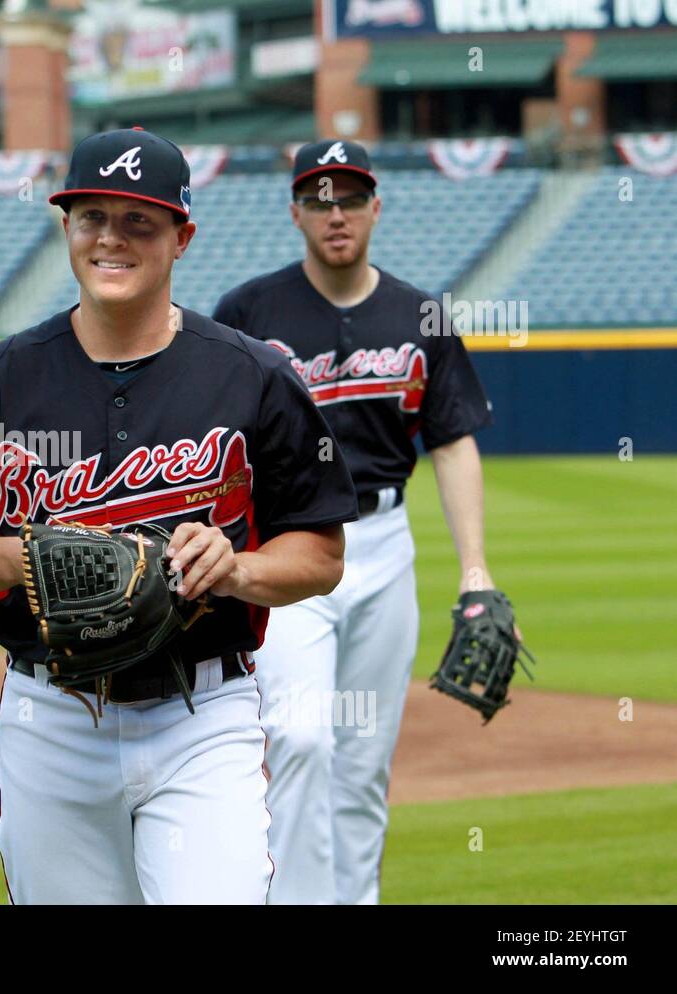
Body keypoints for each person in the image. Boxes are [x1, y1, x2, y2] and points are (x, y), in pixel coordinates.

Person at [0, 128, 358, 905]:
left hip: (202, 713)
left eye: (138, 220)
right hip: (52, 716)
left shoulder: (252, 376)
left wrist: (236, 567)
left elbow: (321, 553)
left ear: (182, 237)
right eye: (91, 216)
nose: (111, 237)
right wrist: (29, 558)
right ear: (66, 227)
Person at [212, 139, 497, 905]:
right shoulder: (248, 312)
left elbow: (453, 442)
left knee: (364, 761)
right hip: (290, 546)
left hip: (384, 547)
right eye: (318, 198)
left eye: (349, 198)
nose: (335, 213)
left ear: (376, 206)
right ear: (296, 212)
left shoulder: (420, 314)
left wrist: (476, 572)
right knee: (301, 739)